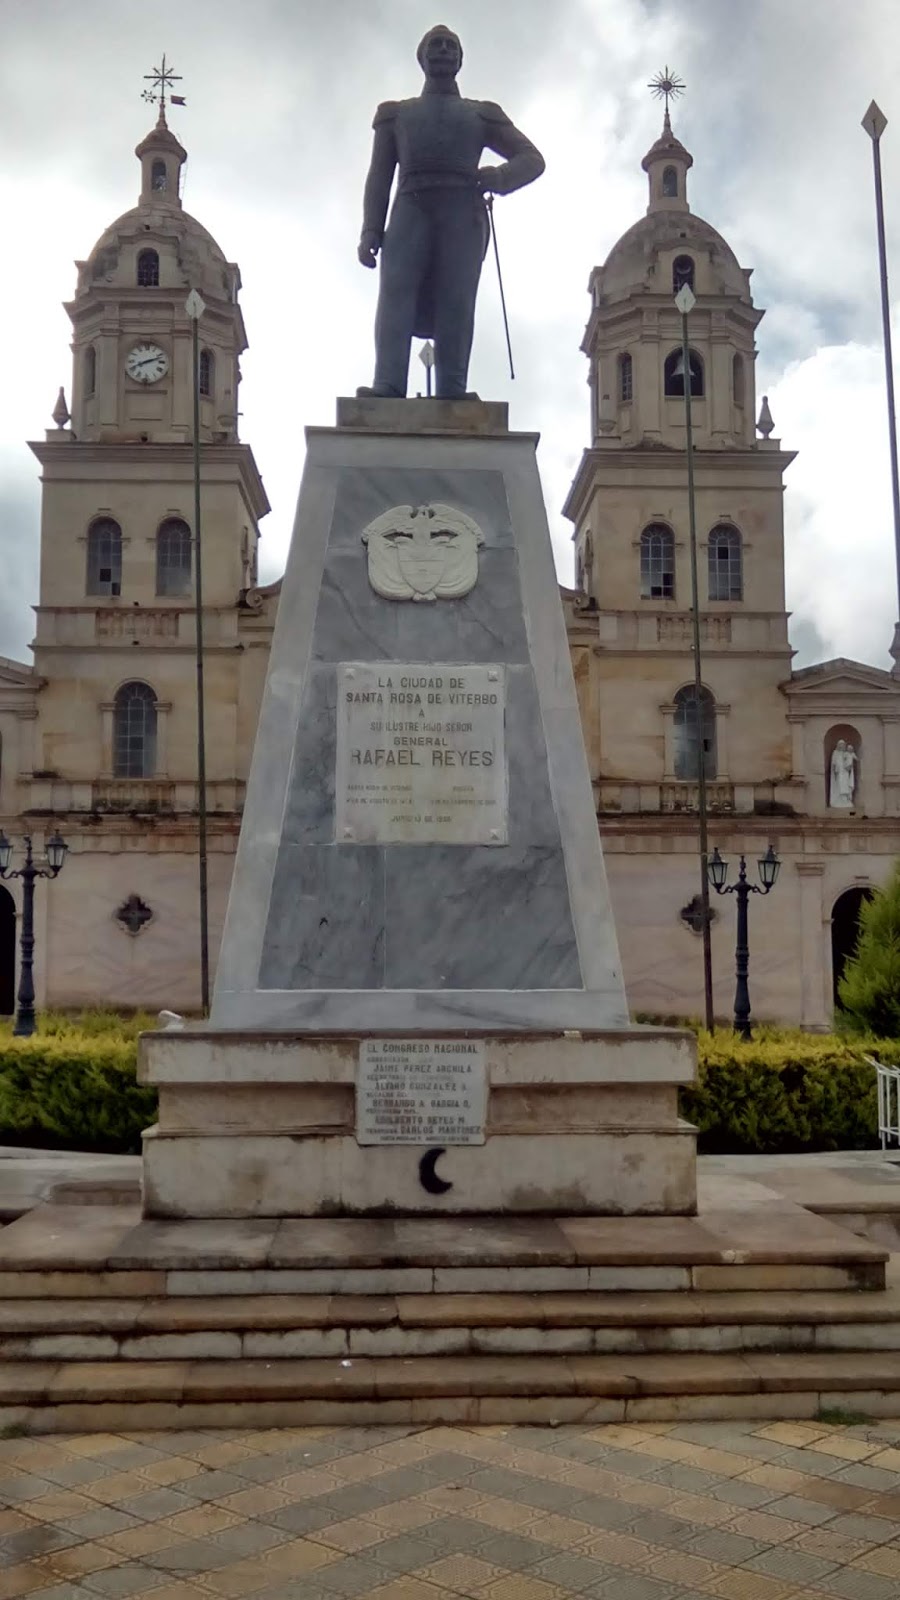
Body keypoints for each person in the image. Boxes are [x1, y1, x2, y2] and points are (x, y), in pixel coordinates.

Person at [357, 24, 544, 400]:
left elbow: (532, 159)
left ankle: (452, 390)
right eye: (435, 45)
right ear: (422, 57)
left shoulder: (481, 114)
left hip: (462, 210)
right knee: (396, 295)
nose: (443, 50)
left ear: (460, 60)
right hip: (411, 204)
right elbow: (379, 176)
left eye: (451, 46)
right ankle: (388, 384)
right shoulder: (395, 114)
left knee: (456, 300)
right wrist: (370, 230)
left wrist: (500, 176)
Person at [829, 739, 858, 809]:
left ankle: (845, 800)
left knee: (846, 785)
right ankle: (838, 800)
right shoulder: (835, 752)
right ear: (838, 745)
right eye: (840, 745)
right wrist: (834, 771)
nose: (842, 746)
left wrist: (849, 766)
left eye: (843, 745)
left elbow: (849, 762)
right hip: (838, 772)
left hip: (845, 772)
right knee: (839, 785)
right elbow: (833, 762)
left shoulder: (846, 753)